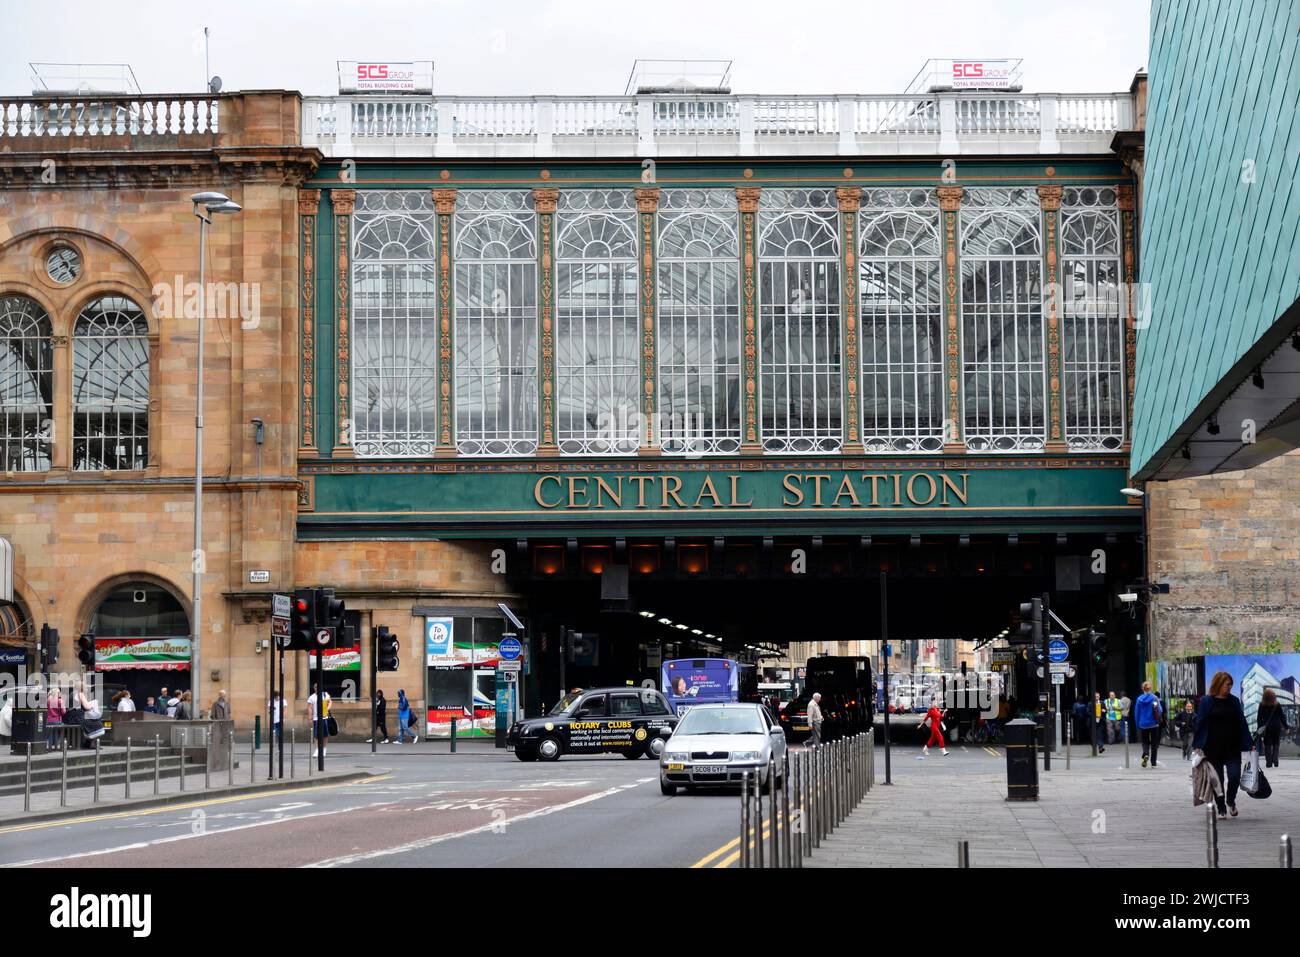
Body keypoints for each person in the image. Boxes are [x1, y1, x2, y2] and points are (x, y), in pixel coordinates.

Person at [1192, 671, 1253, 820]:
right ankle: (1221, 808)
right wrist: (1198, 744)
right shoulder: (1207, 701)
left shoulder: (1234, 701)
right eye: (1227, 685)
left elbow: (1242, 722)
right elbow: (1200, 722)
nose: (1229, 687)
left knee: (1234, 777)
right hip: (1213, 748)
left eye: (1231, 685)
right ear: (1219, 684)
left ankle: (1231, 800)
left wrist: (1249, 742)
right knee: (1217, 780)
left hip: (1232, 746)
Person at [1255, 688, 1288, 768]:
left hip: (1266, 728)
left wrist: (1259, 727)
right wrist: (1286, 727)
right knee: (1276, 744)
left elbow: (1259, 718)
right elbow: (1282, 716)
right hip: (1276, 727)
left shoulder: (1262, 705)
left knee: (1267, 745)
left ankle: (1269, 762)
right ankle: (1275, 760)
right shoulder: (1277, 704)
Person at [1134, 681, 1163, 767]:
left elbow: (1137, 713)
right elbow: (1160, 710)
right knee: (1154, 743)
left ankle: (1146, 753)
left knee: (1145, 741)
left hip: (1143, 724)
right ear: (1150, 689)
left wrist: (1137, 723)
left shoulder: (1139, 699)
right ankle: (1153, 762)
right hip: (1154, 724)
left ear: (1143, 689)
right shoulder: (1155, 698)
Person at [306, 684, 331, 757]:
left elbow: (330, 701)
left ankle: (324, 749)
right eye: (316, 687)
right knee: (316, 735)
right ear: (314, 688)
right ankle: (317, 750)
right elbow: (309, 708)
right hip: (316, 718)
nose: (317, 688)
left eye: (318, 687)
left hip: (324, 717)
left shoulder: (325, 694)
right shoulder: (312, 697)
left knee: (325, 735)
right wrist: (310, 718)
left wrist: (327, 708)